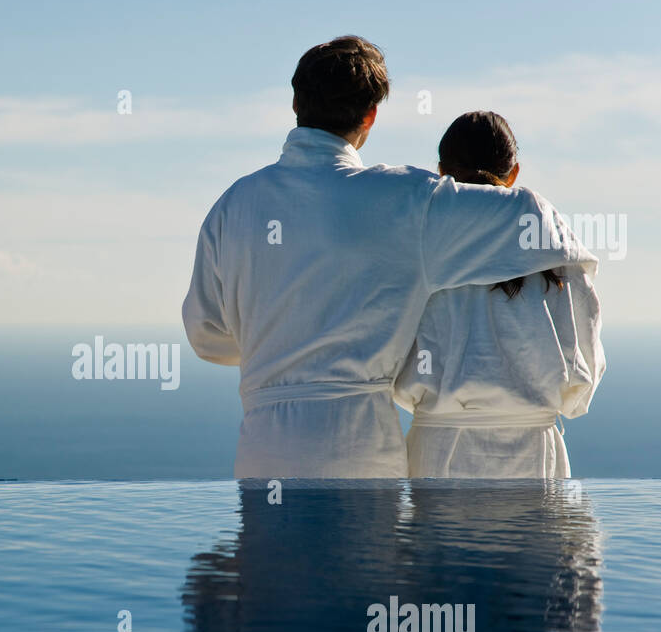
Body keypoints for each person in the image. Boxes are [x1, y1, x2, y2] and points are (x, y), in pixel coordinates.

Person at [182, 36, 599, 478]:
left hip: (263, 447)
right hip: (357, 446)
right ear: (371, 115)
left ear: (295, 103)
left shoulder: (233, 205)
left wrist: (280, 344)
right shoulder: (402, 199)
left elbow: (207, 335)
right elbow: (522, 215)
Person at [394, 112, 605, 477]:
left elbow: (390, 345)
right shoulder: (553, 243)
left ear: (442, 171)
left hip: (438, 446)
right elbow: (583, 354)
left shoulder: (416, 241)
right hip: (534, 451)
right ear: (514, 172)